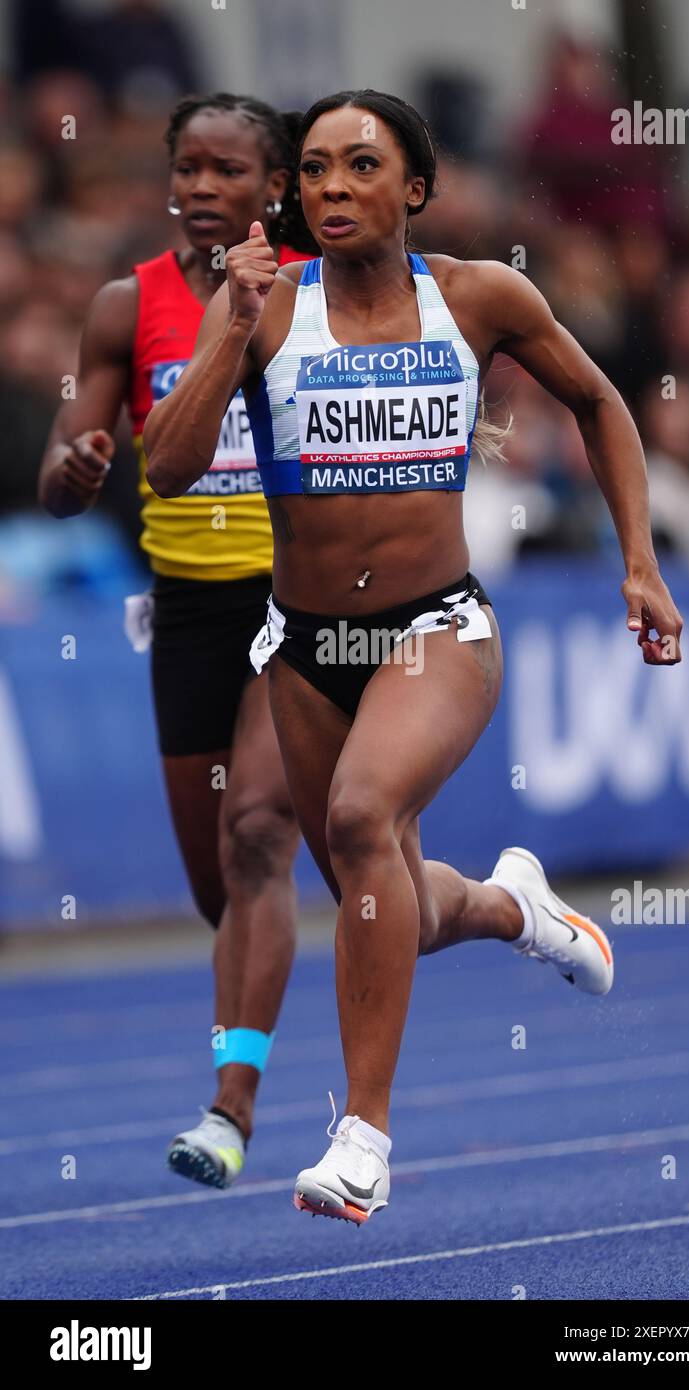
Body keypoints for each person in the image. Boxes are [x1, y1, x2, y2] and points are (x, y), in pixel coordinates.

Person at [143, 89, 683, 1225]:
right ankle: (511, 909)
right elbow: (168, 468)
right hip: (302, 647)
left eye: (359, 167)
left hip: (436, 627)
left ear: (415, 188)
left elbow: (597, 402)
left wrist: (636, 561)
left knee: (353, 820)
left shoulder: (480, 296)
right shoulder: (266, 306)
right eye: (313, 172)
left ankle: (362, 1138)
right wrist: (230, 329)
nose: (329, 188)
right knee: (384, 903)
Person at [38, 93, 314, 1190]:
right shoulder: (125, 305)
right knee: (223, 894)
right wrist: (70, 472)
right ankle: (497, 905)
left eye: (229, 172)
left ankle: (228, 1108)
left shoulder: (316, 292)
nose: (202, 189)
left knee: (257, 835)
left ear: (274, 188)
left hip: (293, 599)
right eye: (187, 169)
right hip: (187, 610)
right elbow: (63, 469)